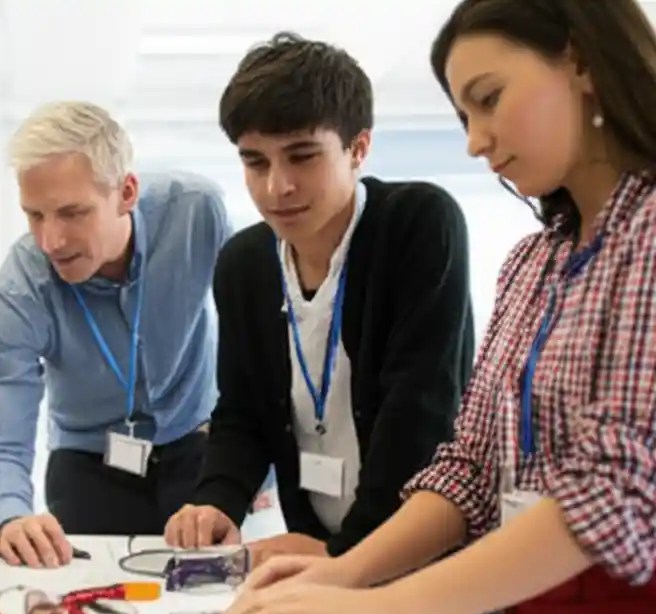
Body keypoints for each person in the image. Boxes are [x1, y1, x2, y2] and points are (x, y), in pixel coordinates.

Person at [207, 2, 656, 614]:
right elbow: (468, 468)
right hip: (526, 609)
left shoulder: (648, 236)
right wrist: (344, 577)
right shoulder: (535, 262)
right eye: (462, 116)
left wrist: (377, 607)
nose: (477, 142)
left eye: (489, 100)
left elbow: (612, 491)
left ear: (580, 63)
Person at [164, 34, 475, 567]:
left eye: (301, 157)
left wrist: (347, 554)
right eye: (255, 162)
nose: (276, 186)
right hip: (317, 553)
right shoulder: (244, 263)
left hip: (423, 558)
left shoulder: (418, 225)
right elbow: (242, 412)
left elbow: (421, 410)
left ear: (358, 148)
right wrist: (216, 499)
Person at [0, 101, 232, 567]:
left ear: (126, 192)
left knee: (207, 594)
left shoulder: (195, 213)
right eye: (35, 216)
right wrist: (9, 517)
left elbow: (257, 339)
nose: (51, 241)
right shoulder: (21, 283)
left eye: (73, 213)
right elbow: (2, 434)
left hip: (196, 445)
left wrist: (251, 472)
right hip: (90, 463)